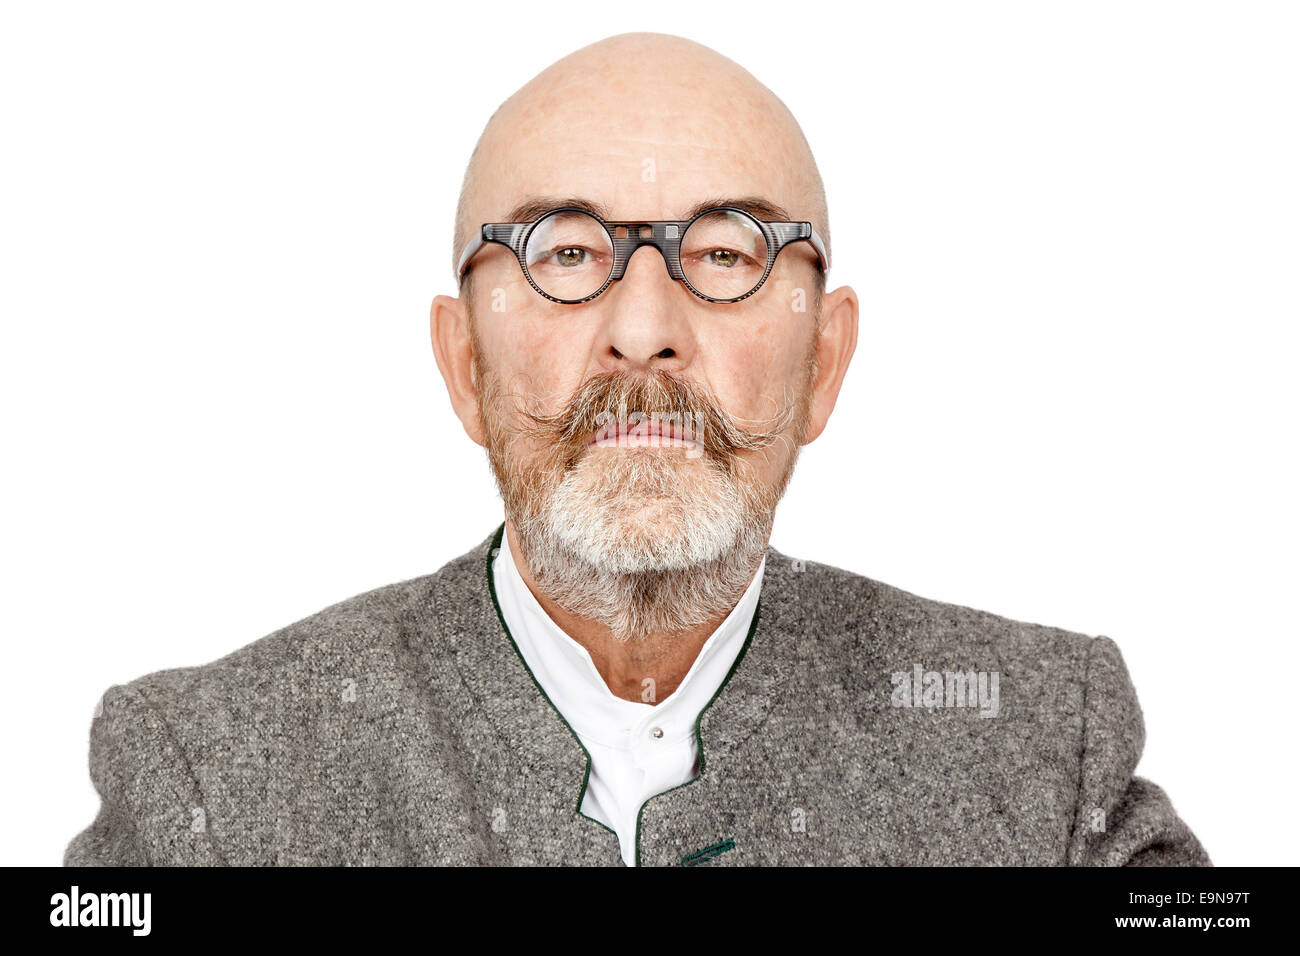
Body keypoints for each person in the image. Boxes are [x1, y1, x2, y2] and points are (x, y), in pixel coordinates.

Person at [65, 32, 1209, 867]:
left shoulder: (1042, 742)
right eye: (565, 253)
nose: (645, 326)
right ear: (464, 363)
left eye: (726, 253)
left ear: (825, 361)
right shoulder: (204, 781)